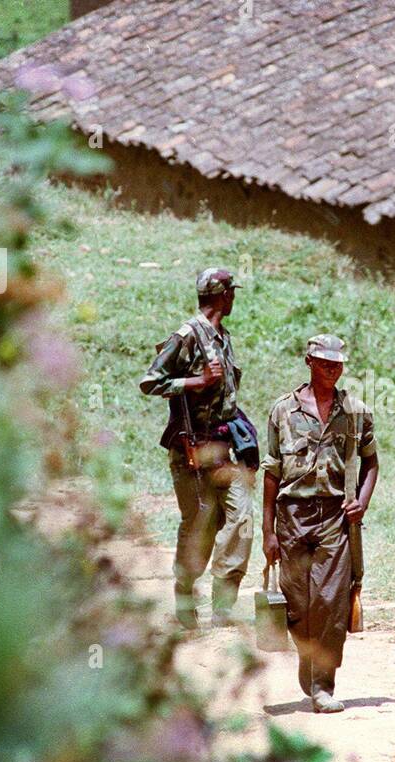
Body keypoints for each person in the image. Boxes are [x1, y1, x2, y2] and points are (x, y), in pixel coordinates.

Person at [261, 335, 378, 713]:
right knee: (298, 603)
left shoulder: (356, 411)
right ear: (309, 362)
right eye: (325, 363)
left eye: (338, 364)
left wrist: (362, 500)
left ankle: (323, 684)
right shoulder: (282, 411)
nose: (333, 369)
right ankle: (306, 656)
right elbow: (272, 471)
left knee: (330, 602)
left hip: (334, 517)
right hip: (292, 517)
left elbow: (372, 462)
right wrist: (267, 531)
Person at [139, 268, 254, 630]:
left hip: (222, 450)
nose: (233, 298)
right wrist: (197, 381)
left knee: (241, 519)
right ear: (223, 296)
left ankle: (223, 605)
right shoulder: (187, 334)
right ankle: (185, 599)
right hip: (191, 450)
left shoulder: (223, 337)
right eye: (231, 293)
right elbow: (150, 381)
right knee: (200, 527)